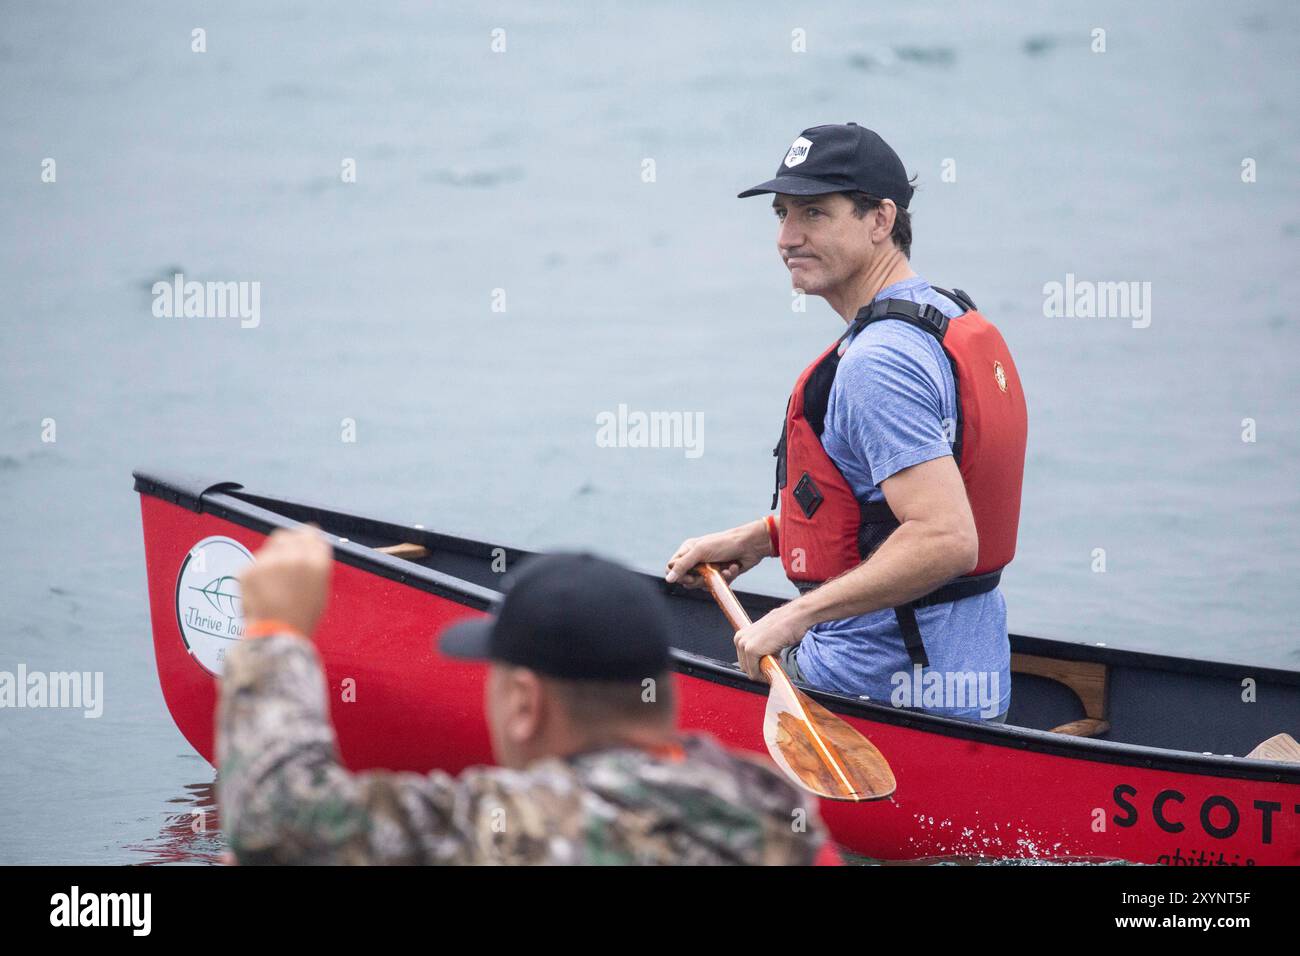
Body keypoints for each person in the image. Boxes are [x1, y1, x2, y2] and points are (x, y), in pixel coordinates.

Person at [666, 123, 1027, 723]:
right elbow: (881, 510)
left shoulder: (878, 363)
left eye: (814, 213)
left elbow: (945, 538)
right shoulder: (942, 313)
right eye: (781, 213)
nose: (787, 237)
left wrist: (795, 615)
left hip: (883, 697)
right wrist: (763, 536)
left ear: (881, 220)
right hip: (969, 685)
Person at [218, 526, 837, 864]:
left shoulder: (520, 825)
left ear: (524, 701)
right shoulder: (769, 808)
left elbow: (274, 818)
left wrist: (275, 633)